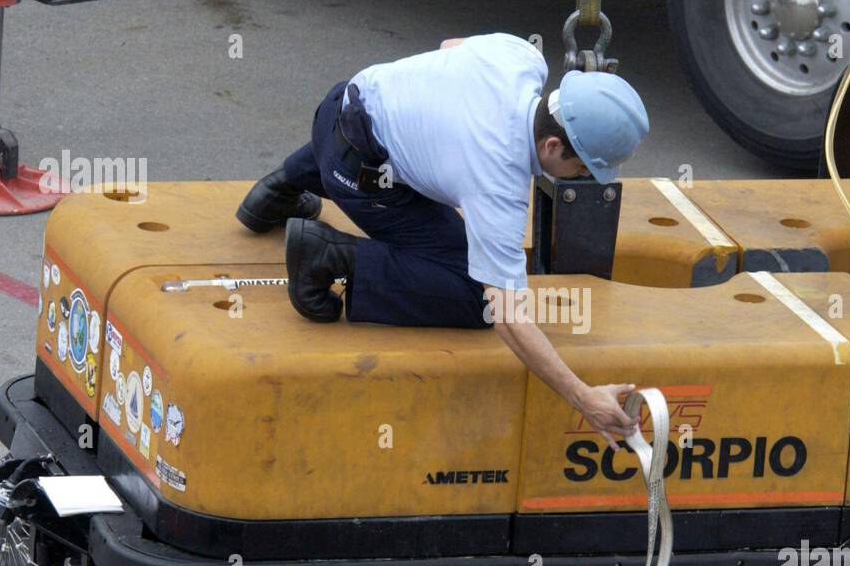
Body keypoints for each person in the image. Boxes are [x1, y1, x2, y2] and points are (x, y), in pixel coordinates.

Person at [236, 33, 649, 448]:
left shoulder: (521, 59)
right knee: (474, 295)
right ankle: (327, 253)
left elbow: (450, 47)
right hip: (359, 175)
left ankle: (279, 188)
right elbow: (506, 315)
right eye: (582, 169)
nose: (583, 179)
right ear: (552, 144)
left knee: (387, 130)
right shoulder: (498, 186)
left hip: (338, 106)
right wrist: (582, 397)